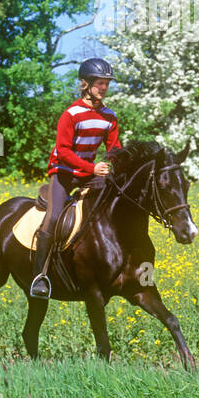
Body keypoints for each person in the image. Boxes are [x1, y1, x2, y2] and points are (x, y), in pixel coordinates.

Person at [29, 58, 120, 298]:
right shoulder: (71, 114)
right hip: (64, 173)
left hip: (89, 174)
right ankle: (40, 276)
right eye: (100, 83)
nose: (104, 88)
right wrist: (92, 169)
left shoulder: (109, 117)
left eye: (106, 84)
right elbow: (64, 151)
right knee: (55, 216)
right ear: (86, 84)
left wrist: (116, 163)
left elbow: (115, 149)